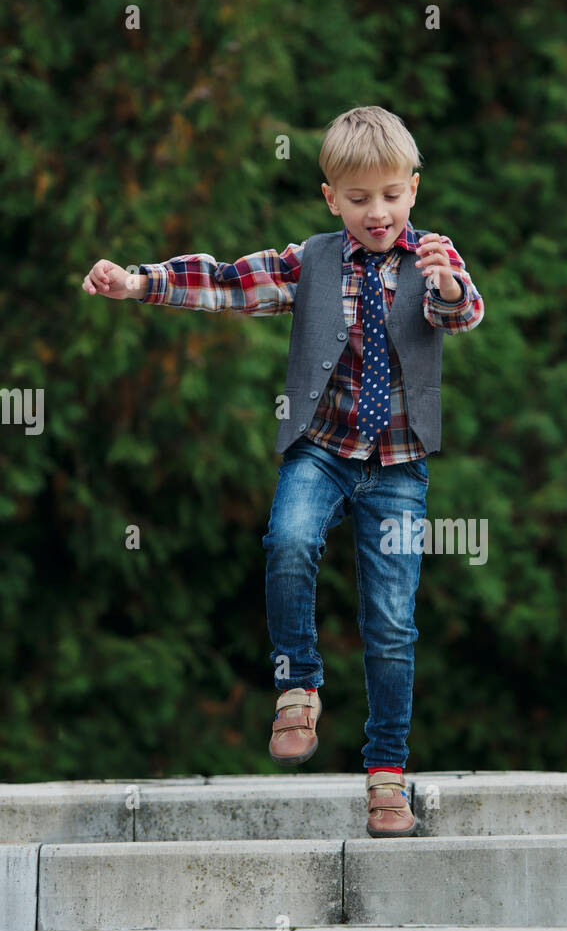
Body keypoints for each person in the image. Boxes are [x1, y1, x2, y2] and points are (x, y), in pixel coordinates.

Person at [81, 105, 485, 835]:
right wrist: (140, 282)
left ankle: (387, 776)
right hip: (320, 448)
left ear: (413, 190)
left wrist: (451, 288)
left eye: (390, 196)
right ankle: (297, 684)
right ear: (331, 198)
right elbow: (230, 281)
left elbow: (460, 315)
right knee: (289, 540)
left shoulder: (433, 259)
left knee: (391, 623)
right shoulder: (311, 261)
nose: (376, 213)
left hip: (397, 466)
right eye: (358, 199)